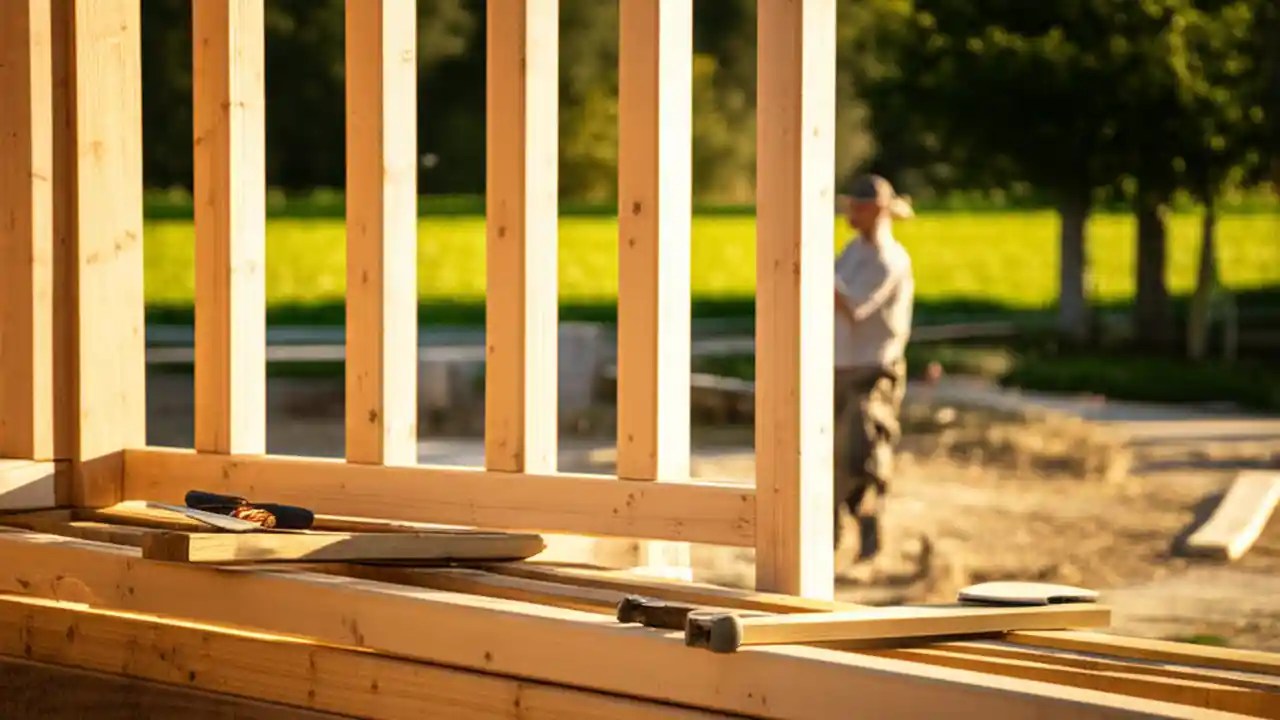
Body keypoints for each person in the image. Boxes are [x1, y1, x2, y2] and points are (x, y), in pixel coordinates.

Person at [832, 174, 915, 563]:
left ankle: (868, 530)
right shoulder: (854, 251)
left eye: (857, 206)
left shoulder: (889, 259)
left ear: (877, 210)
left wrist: (811, 269)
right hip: (841, 365)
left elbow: (855, 306)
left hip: (872, 369)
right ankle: (836, 533)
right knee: (834, 454)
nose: (849, 212)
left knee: (862, 451)